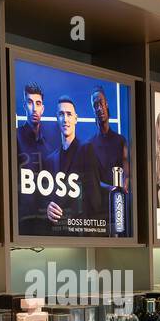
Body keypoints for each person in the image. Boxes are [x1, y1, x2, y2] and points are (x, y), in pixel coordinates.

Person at [44, 95, 101, 232]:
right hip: (56, 232)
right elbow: (47, 198)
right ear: (57, 118)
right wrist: (47, 208)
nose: (65, 119)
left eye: (69, 114)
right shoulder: (51, 160)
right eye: (61, 114)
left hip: (80, 231)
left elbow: (94, 200)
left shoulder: (86, 149)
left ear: (76, 118)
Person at [16, 81, 61, 231]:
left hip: (45, 225)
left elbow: (55, 186)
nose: (34, 108)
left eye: (38, 103)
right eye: (30, 102)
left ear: (43, 108)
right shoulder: (13, 137)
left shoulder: (51, 145)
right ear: (24, 106)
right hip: (20, 224)